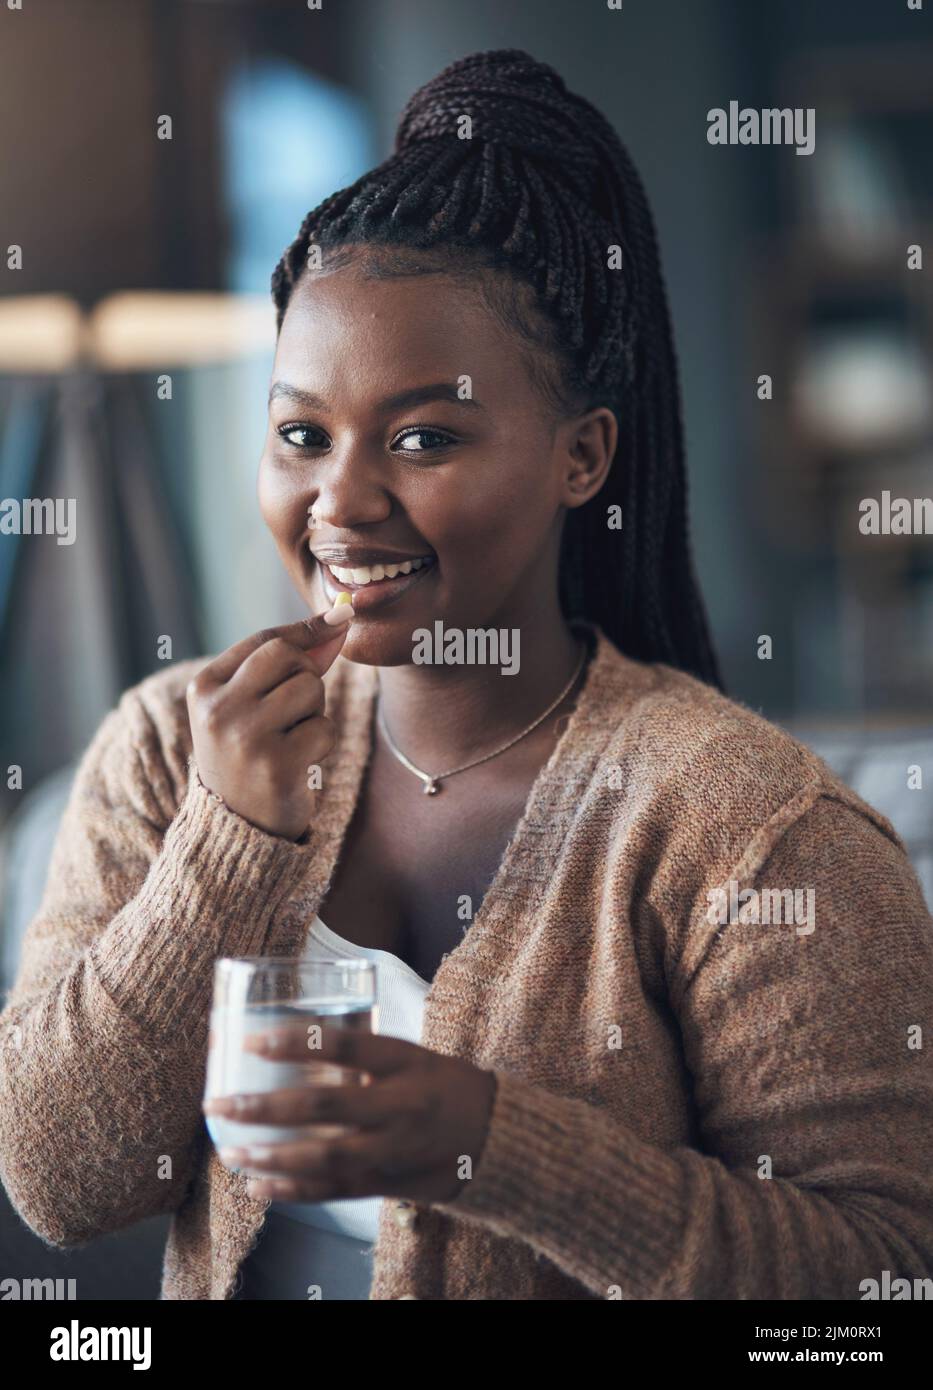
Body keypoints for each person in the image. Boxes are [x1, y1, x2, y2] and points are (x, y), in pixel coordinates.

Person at [1, 49, 931, 1302]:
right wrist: (222, 846)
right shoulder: (170, 750)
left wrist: (492, 1145)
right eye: (300, 434)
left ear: (581, 457)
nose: (341, 500)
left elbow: (884, 1280)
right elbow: (62, 1181)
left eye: (425, 436)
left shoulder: (747, 828)